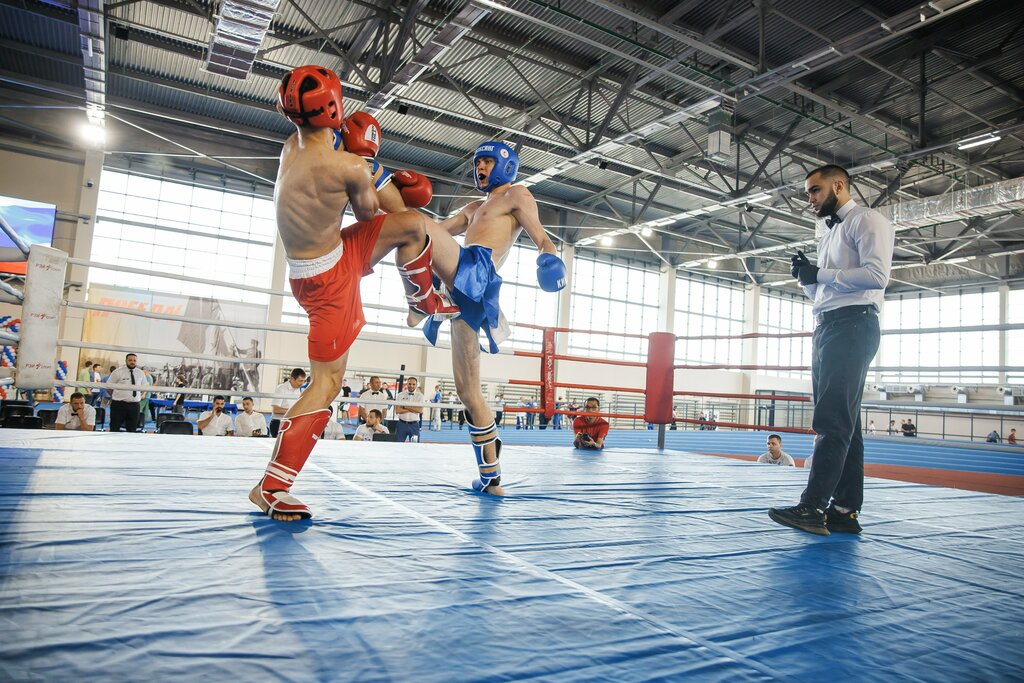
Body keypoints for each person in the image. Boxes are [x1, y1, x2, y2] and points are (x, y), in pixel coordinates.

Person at [250, 65, 454, 521]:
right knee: (326, 383)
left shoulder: (290, 148)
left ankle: (423, 304)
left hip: (316, 264)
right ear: (335, 107)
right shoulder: (348, 166)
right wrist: (381, 176)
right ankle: (272, 487)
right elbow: (368, 214)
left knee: (413, 226)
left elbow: (381, 213)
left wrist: (376, 176)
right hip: (329, 282)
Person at [415, 141, 565, 495]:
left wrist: (551, 258)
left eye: (485, 161)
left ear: (504, 164)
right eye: (476, 161)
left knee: (412, 226)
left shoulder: (517, 195)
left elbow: (541, 237)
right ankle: (491, 476)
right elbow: (440, 229)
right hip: (459, 289)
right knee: (468, 391)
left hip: (477, 274)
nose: (479, 167)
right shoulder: (472, 207)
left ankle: (418, 300)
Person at [769, 163, 894, 537]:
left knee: (832, 419)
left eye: (814, 190)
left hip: (853, 324)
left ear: (839, 186)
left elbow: (876, 277)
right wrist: (807, 277)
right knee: (847, 424)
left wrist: (821, 274)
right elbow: (828, 290)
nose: (809, 198)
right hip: (828, 325)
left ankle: (812, 507)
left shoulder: (867, 220)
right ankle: (843, 510)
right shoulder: (826, 232)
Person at [106, 353, 144, 432]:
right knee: (114, 428)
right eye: (130, 360)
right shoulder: (118, 372)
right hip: (119, 405)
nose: (132, 362)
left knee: (132, 429)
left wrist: (139, 395)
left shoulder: (140, 373)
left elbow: (144, 386)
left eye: (134, 360)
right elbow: (108, 387)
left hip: (134, 405)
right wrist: (115, 396)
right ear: (126, 361)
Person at [394, 376, 424, 442]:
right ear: (407, 384)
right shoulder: (400, 395)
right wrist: (413, 408)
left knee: (414, 447)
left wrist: (405, 407)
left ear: (416, 385)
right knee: (397, 445)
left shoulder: (420, 396)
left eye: (413, 384)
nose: (411, 386)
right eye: (410, 384)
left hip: (414, 425)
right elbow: (398, 410)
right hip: (401, 424)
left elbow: (420, 410)